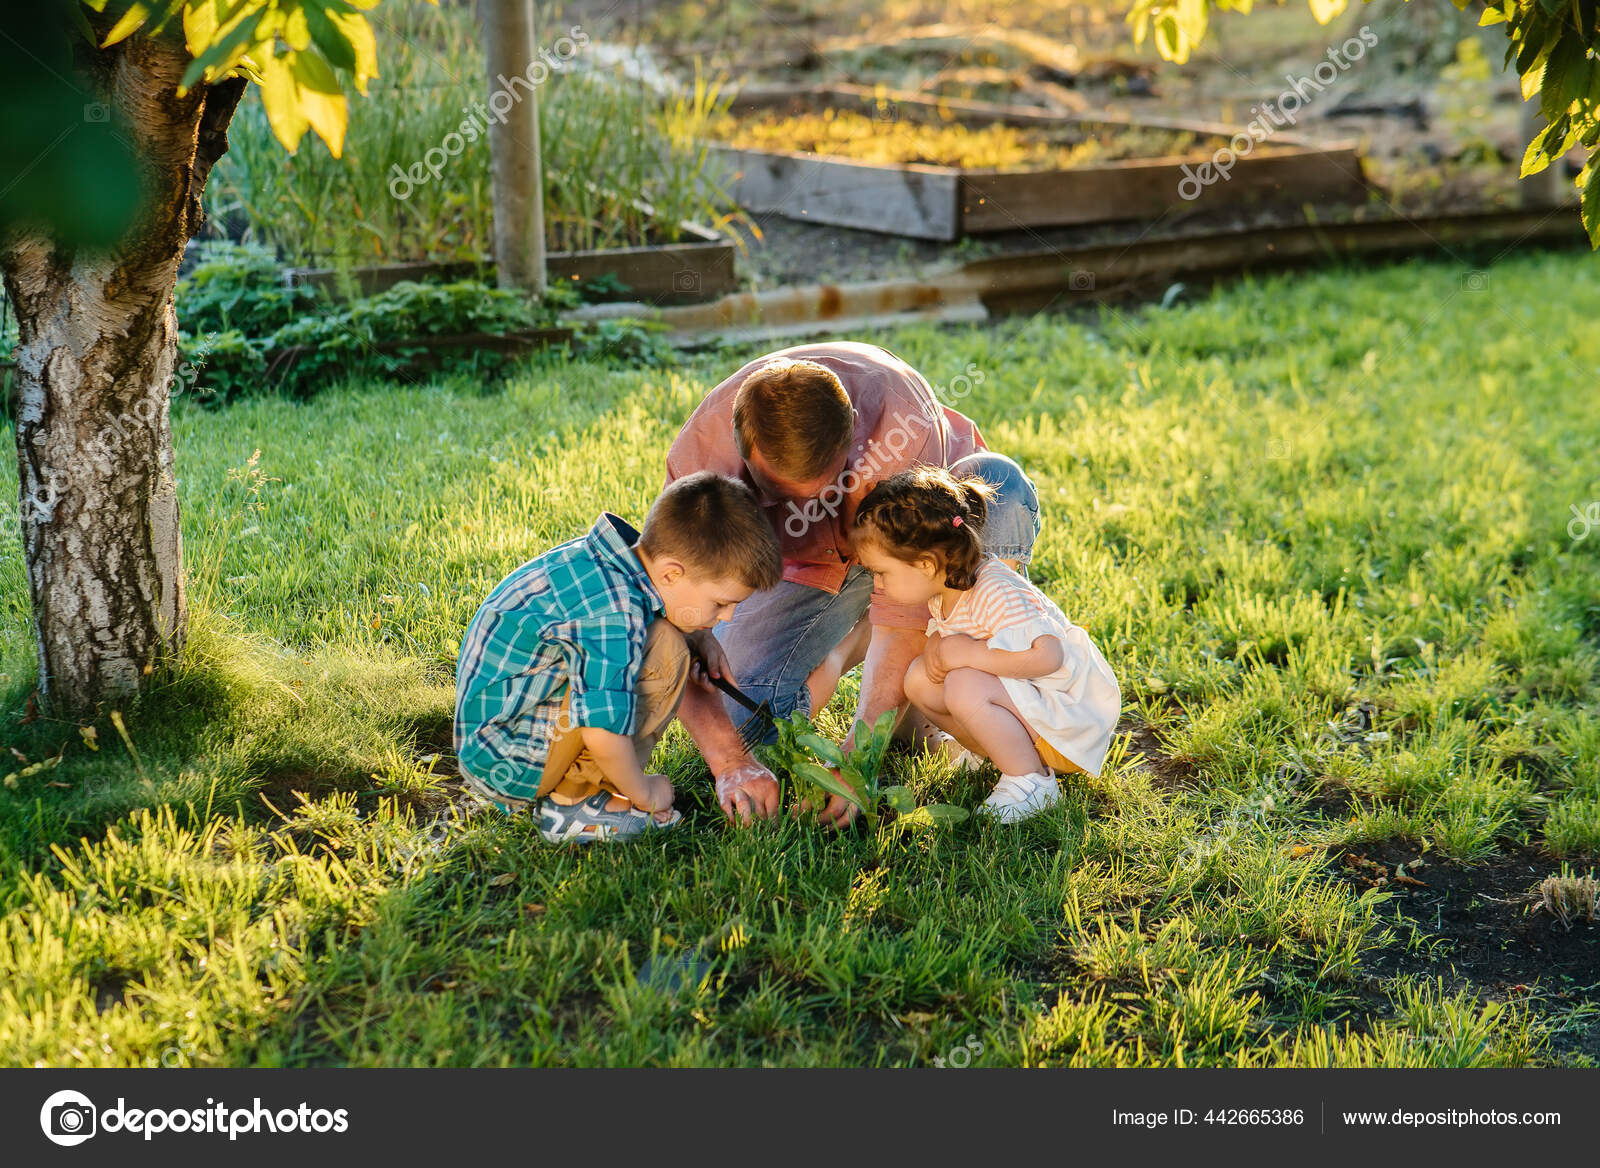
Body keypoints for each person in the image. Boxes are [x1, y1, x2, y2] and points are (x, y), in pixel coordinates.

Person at [665, 341, 1042, 828]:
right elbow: (681, 617)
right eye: (781, 496)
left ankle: (965, 711)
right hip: (803, 566)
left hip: (918, 555)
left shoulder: (900, 422)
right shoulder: (701, 459)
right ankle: (864, 650)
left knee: (1000, 484)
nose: (809, 507)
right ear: (744, 451)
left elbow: (904, 615)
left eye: (826, 487)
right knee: (743, 723)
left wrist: (856, 758)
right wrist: (731, 765)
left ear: (850, 443)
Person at [454, 472, 782, 843]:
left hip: (497, 735)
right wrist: (644, 791)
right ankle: (576, 806)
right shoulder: (616, 615)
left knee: (670, 639)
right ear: (672, 573)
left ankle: (573, 790)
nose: (726, 618)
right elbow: (602, 729)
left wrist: (700, 635)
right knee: (665, 651)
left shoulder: (614, 566)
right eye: (720, 603)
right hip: (509, 759)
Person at [852, 467, 1121, 823]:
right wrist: (937, 646)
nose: (879, 584)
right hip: (1035, 714)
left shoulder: (995, 590)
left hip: (1067, 723)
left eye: (881, 572)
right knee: (920, 678)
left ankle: (1032, 782)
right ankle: (996, 754)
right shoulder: (944, 590)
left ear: (926, 564)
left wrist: (971, 654)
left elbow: (1049, 655)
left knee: (964, 683)